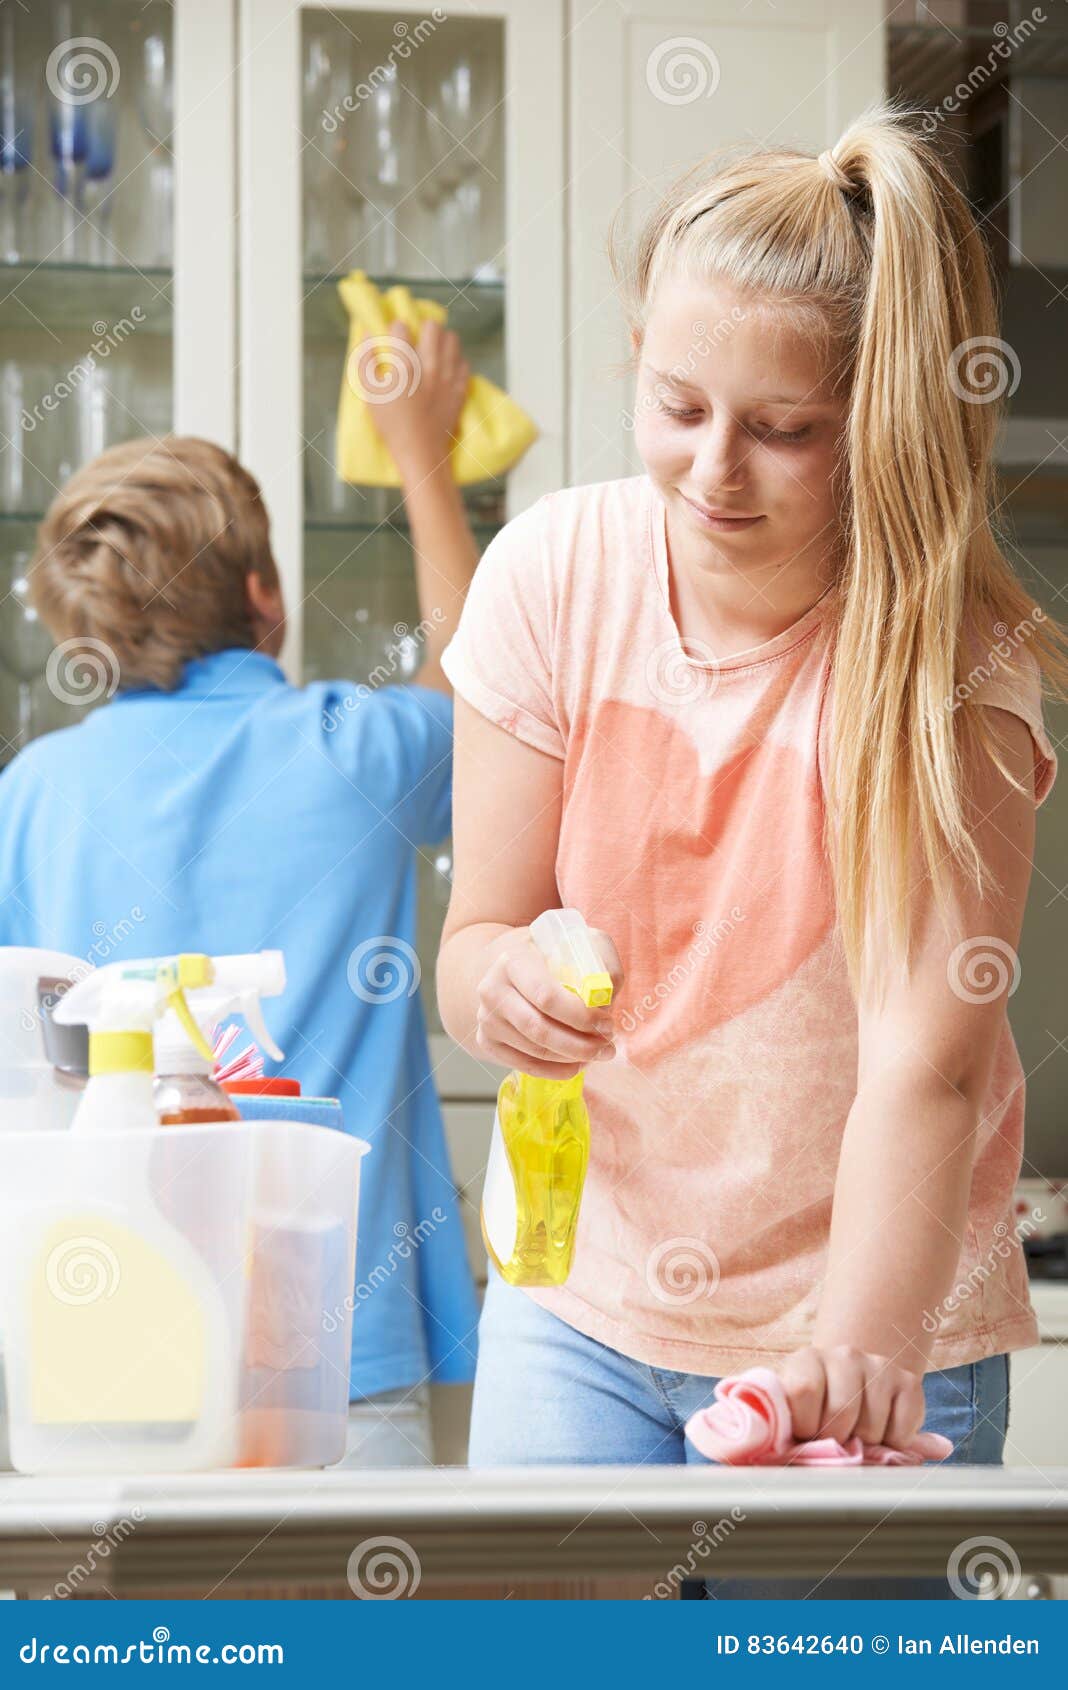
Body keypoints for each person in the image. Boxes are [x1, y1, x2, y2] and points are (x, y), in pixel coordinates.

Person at [435, 106, 1065, 1595]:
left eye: (784, 431)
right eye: (677, 404)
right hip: (582, 1308)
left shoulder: (951, 669)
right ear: (638, 355)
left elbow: (927, 1064)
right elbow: (474, 948)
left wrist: (857, 1351)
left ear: (883, 420)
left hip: (871, 1322)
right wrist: (500, 984)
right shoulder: (550, 576)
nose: (714, 469)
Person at [0, 319, 481, 1468]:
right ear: (265, 593)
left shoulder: (34, 791)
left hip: (105, 1352)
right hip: (333, 1356)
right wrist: (420, 451)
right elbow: (483, 685)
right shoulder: (351, 751)